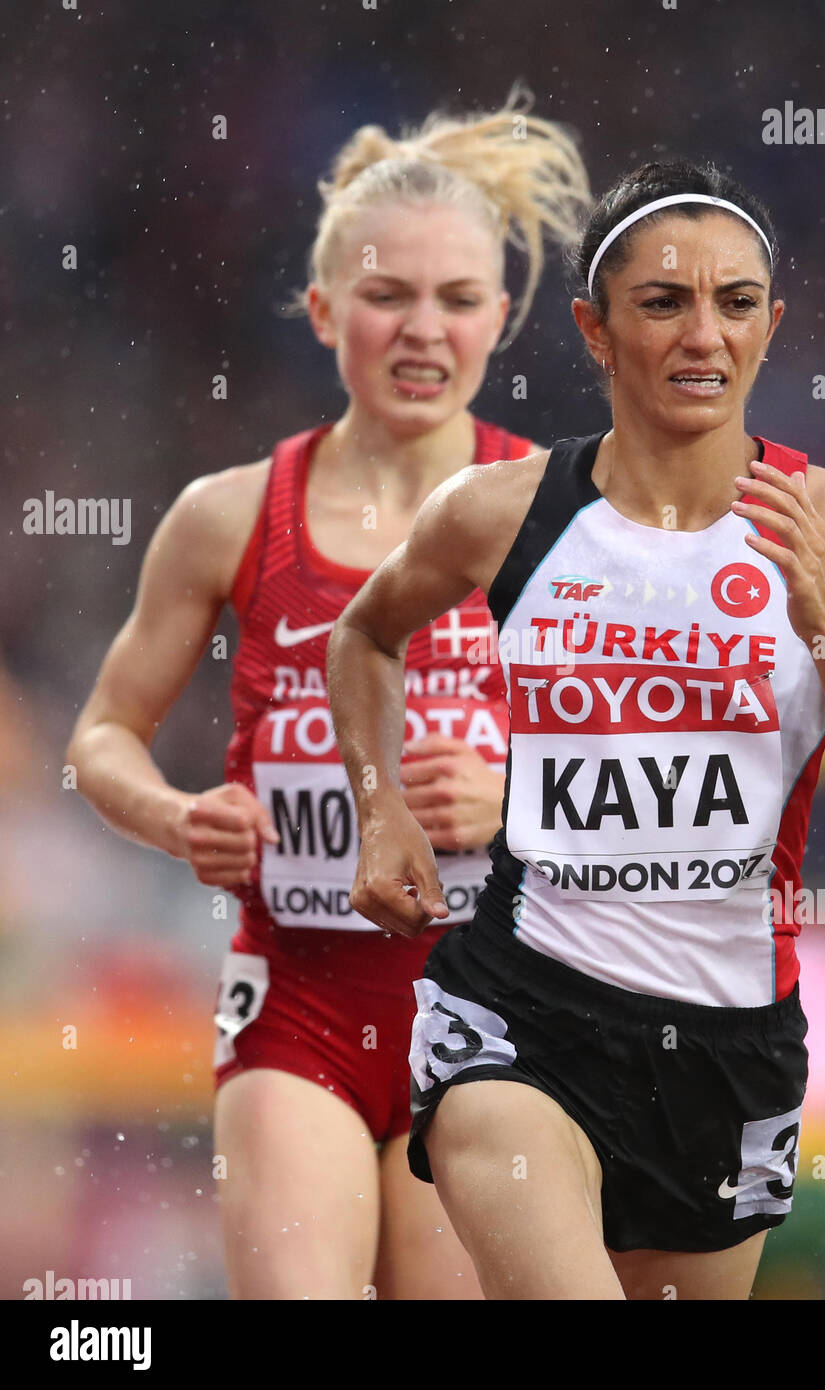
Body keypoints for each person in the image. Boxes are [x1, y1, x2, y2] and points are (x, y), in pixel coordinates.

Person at [325, 158, 825, 1301]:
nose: (701, 334)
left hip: (729, 1047)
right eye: (662, 302)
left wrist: (820, 621)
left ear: (771, 324)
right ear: (595, 332)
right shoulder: (500, 511)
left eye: (734, 302)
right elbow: (362, 637)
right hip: (520, 1010)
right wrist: (381, 811)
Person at [65, 91, 590, 1300]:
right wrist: (172, 816)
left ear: (500, 318)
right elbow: (101, 734)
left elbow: (654, 781)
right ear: (322, 310)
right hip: (296, 999)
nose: (422, 330)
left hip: (493, 1013)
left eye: (457, 299)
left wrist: (519, 793)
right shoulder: (229, 514)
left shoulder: (558, 514)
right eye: (384, 295)